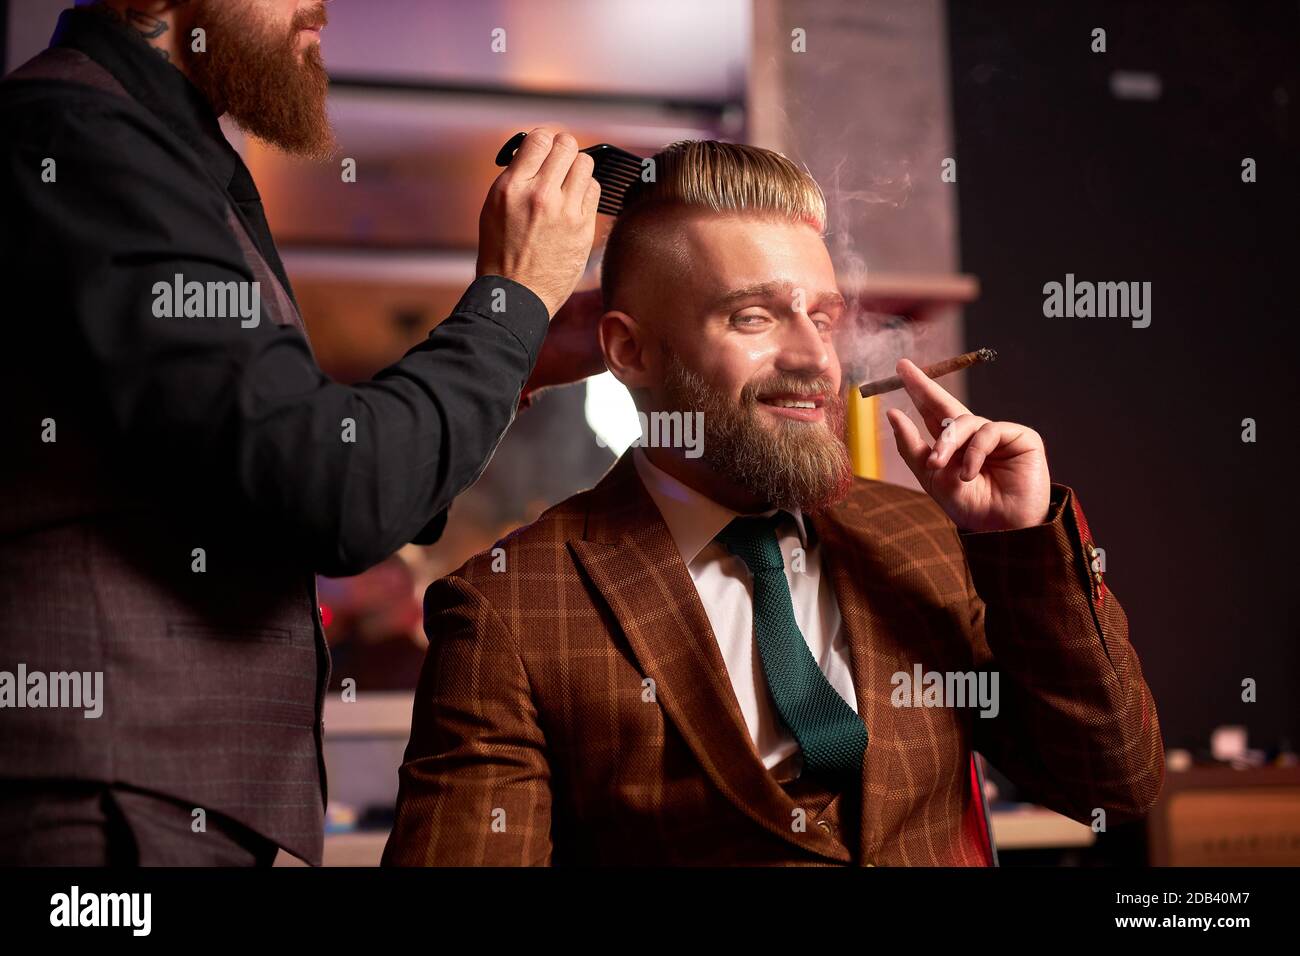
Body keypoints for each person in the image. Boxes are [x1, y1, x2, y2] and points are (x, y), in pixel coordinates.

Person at [384, 140, 1165, 866]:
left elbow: (1111, 785)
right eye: (752, 317)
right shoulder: (509, 611)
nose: (814, 359)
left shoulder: (923, 536)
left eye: (822, 316)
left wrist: (1020, 547)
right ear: (630, 351)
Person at [0, 0, 601, 865]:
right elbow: (332, 485)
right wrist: (510, 305)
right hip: (103, 814)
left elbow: (293, 453)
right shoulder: (85, 135)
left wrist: (519, 353)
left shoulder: (151, 148)